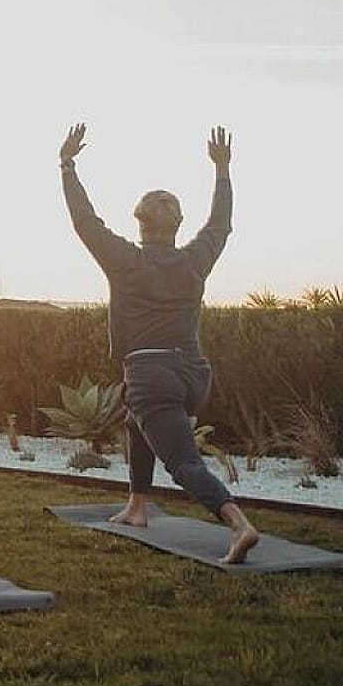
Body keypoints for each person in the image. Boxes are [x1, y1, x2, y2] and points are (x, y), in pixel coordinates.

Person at [58, 123, 259, 564]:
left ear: (139, 223)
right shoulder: (194, 260)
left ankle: (238, 525)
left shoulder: (125, 261)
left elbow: (85, 222)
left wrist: (67, 165)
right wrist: (222, 171)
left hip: (152, 376)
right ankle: (136, 506)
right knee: (136, 420)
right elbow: (221, 224)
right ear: (178, 225)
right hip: (193, 374)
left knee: (184, 463)